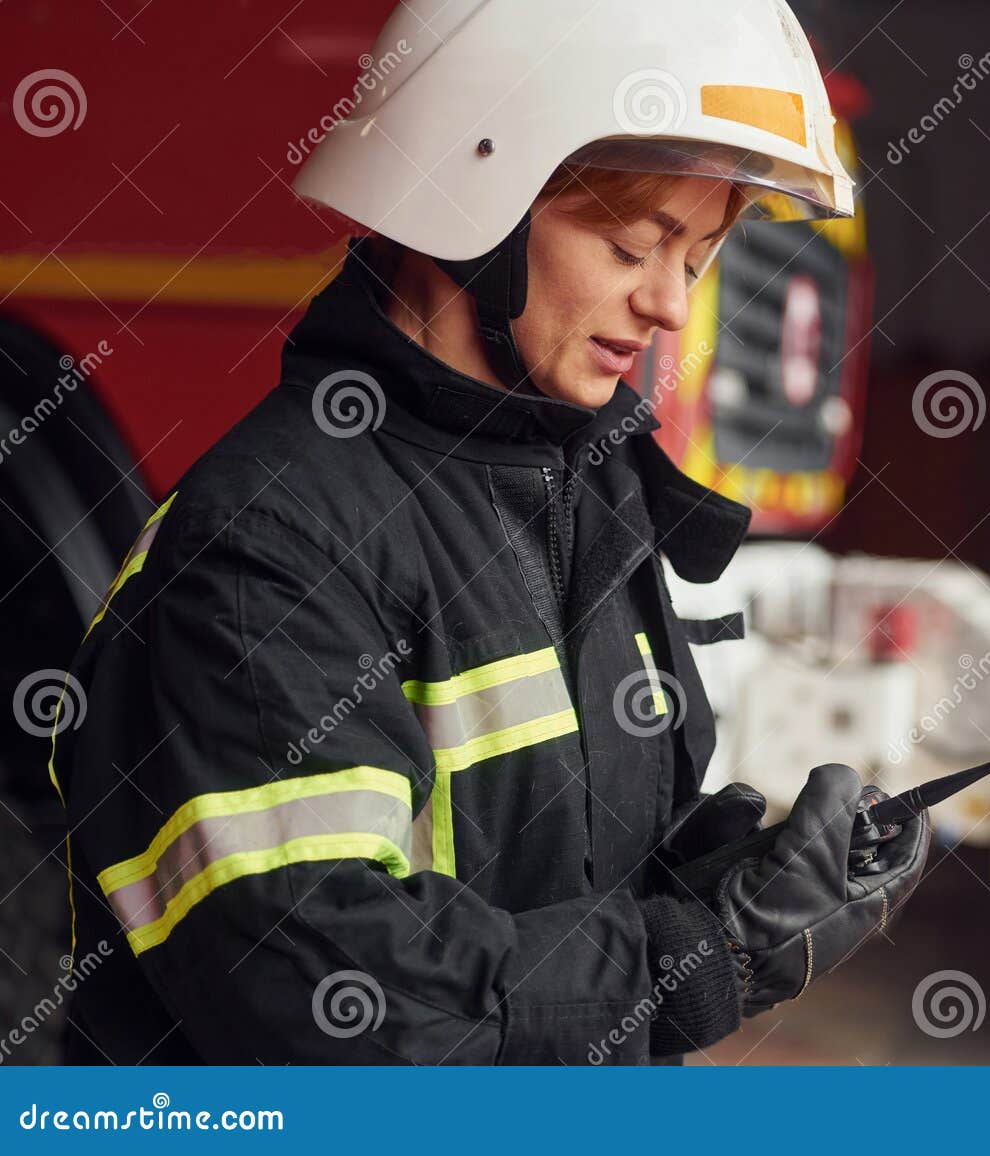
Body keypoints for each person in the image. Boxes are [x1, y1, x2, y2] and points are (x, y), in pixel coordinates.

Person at [50, 0, 929, 1064]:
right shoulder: (269, 543)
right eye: (629, 245)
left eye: (695, 257)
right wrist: (699, 960)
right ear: (469, 203)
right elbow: (333, 989)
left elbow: (549, 879)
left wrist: (733, 878)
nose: (668, 306)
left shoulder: (580, 489)